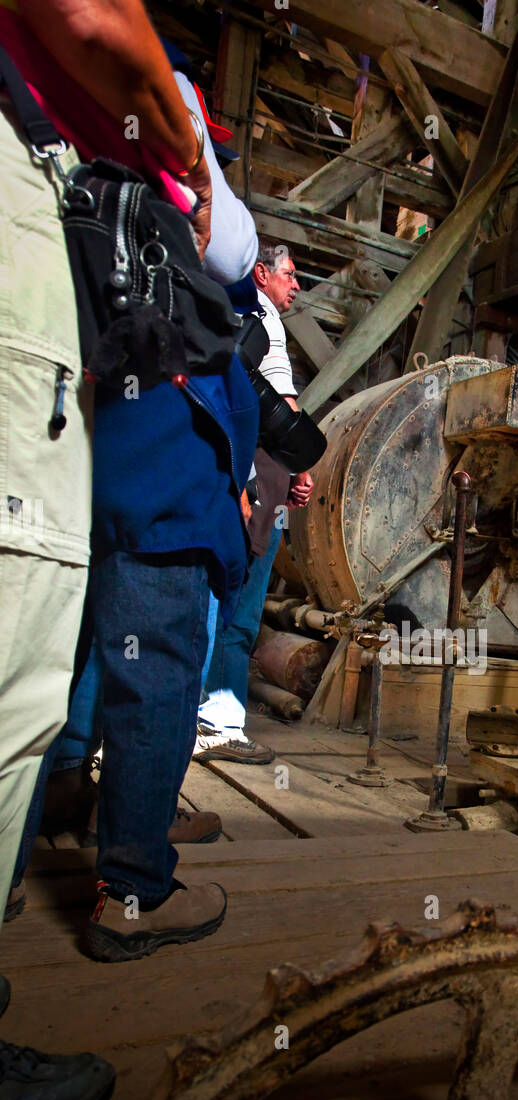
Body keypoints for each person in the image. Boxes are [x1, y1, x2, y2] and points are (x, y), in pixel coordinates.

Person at [0, 0, 215, 1100]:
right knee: (136, 673)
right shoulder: (159, 233)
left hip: (110, 474)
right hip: (156, 495)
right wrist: (185, 147)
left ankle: (87, 834)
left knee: (63, 674)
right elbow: (93, 18)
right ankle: (134, 886)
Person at [195, 242, 314, 766]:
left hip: (262, 476)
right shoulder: (256, 316)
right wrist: (285, 470)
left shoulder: (253, 320)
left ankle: (209, 717)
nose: (296, 285)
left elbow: (274, 405)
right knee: (235, 606)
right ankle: (213, 722)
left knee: (231, 603)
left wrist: (294, 471)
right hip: (257, 480)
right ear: (261, 273)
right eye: (289, 274)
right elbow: (268, 409)